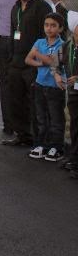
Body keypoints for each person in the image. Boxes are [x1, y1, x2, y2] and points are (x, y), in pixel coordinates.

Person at [3, 0, 52, 148]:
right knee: (16, 100)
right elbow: (12, 33)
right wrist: (10, 57)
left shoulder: (42, 7)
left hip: (33, 64)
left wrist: (43, 60)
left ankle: (40, 140)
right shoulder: (15, 8)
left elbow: (49, 35)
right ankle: (22, 135)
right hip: (16, 62)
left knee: (35, 103)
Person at [0, 0, 37, 134]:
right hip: (30, 43)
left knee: (6, 83)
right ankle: (29, 126)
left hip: (5, 41)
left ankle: (9, 125)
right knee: (30, 84)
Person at [26, 12, 66, 161]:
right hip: (39, 84)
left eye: (53, 26)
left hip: (55, 87)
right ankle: (42, 144)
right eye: (47, 25)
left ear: (60, 28)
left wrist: (39, 55)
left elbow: (53, 61)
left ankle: (57, 147)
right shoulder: (39, 42)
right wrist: (40, 62)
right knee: (41, 118)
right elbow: (28, 59)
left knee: (55, 119)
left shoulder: (62, 45)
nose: (49, 28)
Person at [56, 11, 78, 175]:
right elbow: (56, 64)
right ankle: (73, 157)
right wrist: (57, 74)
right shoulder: (66, 47)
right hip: (73, 94)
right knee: (73, 127)